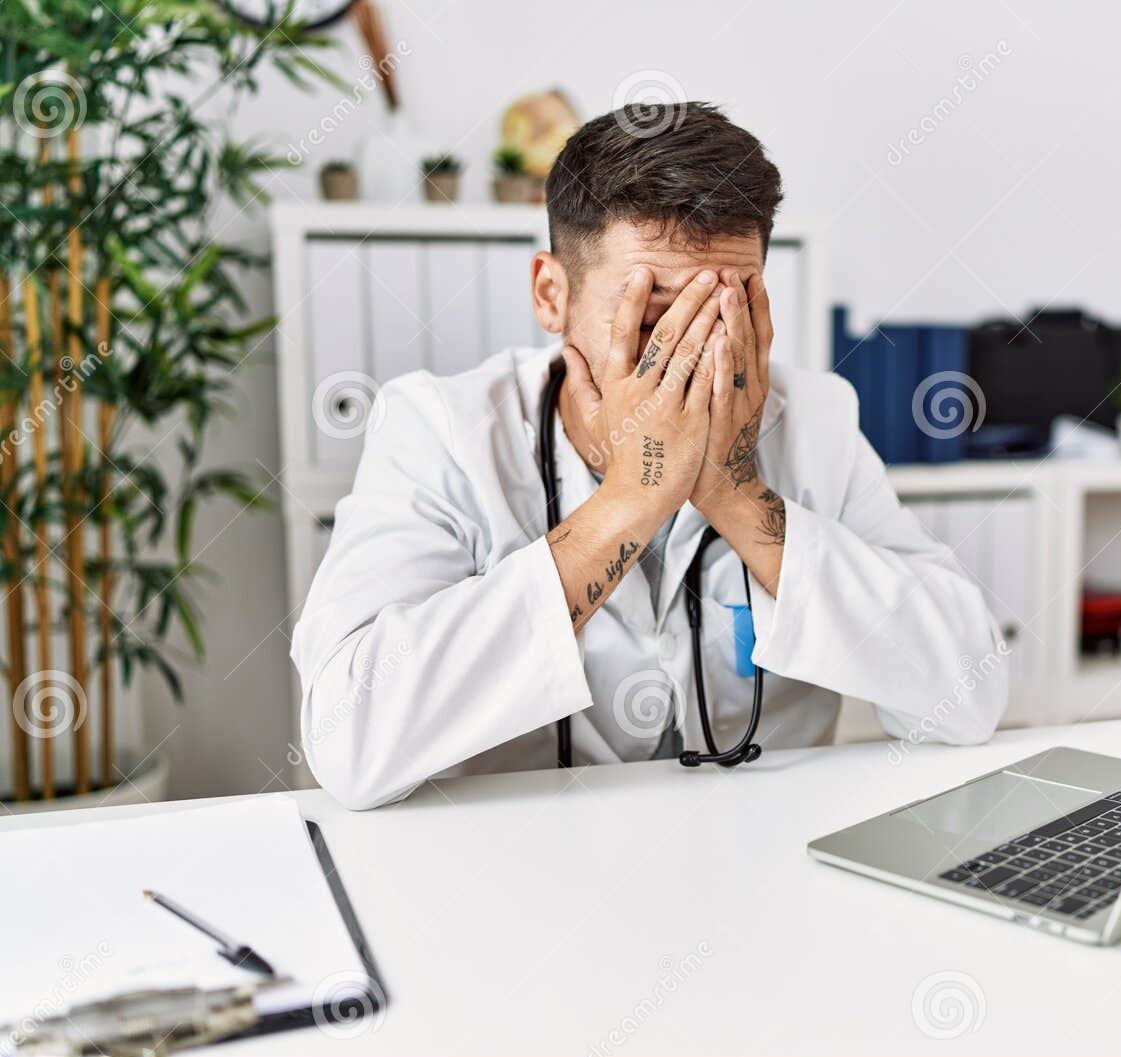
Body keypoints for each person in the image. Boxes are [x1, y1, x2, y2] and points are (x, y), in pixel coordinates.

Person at [291, 102, 1008, 810]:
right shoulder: (440, 428)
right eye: (656, 320)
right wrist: (629, 502)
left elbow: (968, 696)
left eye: (724, 315)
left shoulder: (815, 418)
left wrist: (737, 494)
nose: (695, 358)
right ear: (551, 294)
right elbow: (348, 742)